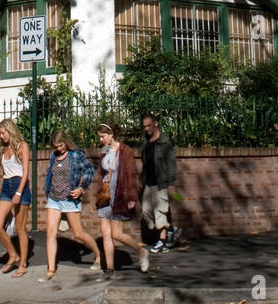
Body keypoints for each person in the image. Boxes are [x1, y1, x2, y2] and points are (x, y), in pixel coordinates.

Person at [39, 129, 101, 282]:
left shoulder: (75, 155)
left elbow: (88, 170)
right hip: (54, 199)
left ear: (65, 142)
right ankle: (51, 269)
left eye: (60, 145)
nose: (59, 148)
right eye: (56, 146)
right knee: (50, 234)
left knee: (78, 233)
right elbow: (51, 175)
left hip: (69, 199)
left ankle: (99, 255)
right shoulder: (54, 156)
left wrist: (81, 188)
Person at [95, 122, 149, 278]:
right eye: (99, 137)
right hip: (105, 195)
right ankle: (109, 269)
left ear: (111, 135)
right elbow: (101, 173)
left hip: (118, 195)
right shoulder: (104, 151)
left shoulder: (125, 151)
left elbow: (131, 175)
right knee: (105, 233)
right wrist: (100, 188)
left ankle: (140, 251)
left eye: (102, 136)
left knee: (117, 234)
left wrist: (132, 197)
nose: (101, 140)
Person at [0, 118, 31, 276]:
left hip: (19, 186)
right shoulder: (3, 149)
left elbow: (26, 172)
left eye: (3, 133)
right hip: (6, 187)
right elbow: (5, 171)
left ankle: (23, 264)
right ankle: (13, 254)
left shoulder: (23, 146)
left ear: (11, 130)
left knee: (20, 228)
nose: (1, 137)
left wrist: (19, 192)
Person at [140, 114, 178, 253]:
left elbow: (172, 163)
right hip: (149, 182)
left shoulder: (165, 142)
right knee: (145, 211)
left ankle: (161, 243)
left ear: (156, 124)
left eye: (149, 125)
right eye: (144, 126)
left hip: (161, 183)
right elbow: (144, 162)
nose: (146, 128)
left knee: (160, 212)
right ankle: (171, 229)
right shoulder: (145, 141)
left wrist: (171, 184)